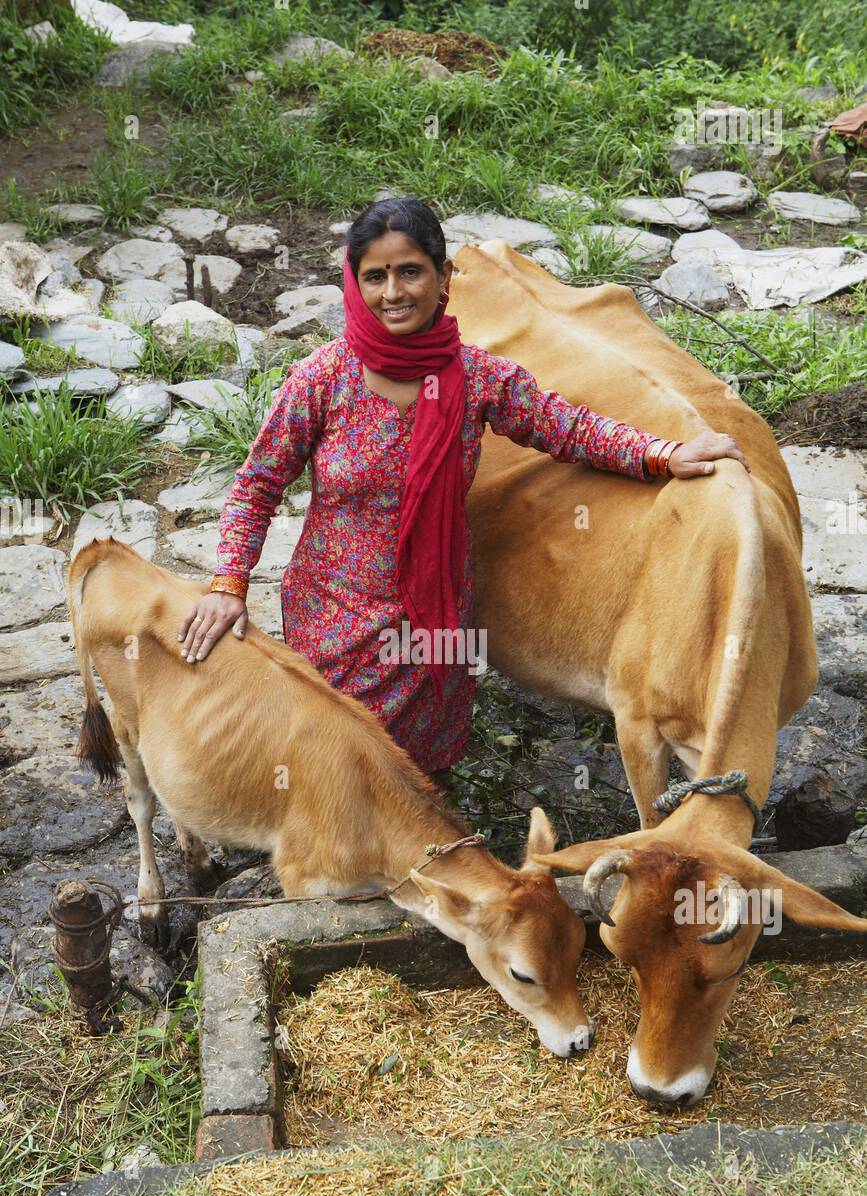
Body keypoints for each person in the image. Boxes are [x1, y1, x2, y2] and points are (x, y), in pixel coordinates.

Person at [178, 197, 746, 789]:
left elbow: (567, 427)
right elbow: (257, 484)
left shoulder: (476, 377)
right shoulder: (323, 377)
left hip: (436, 624)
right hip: (335, 622)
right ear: (355, 283)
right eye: (375, 276)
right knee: (338, 775)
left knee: (424, 789)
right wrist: (227, 586)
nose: (393, 292)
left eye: (410, 271)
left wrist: (664, 454)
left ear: (442, 276)